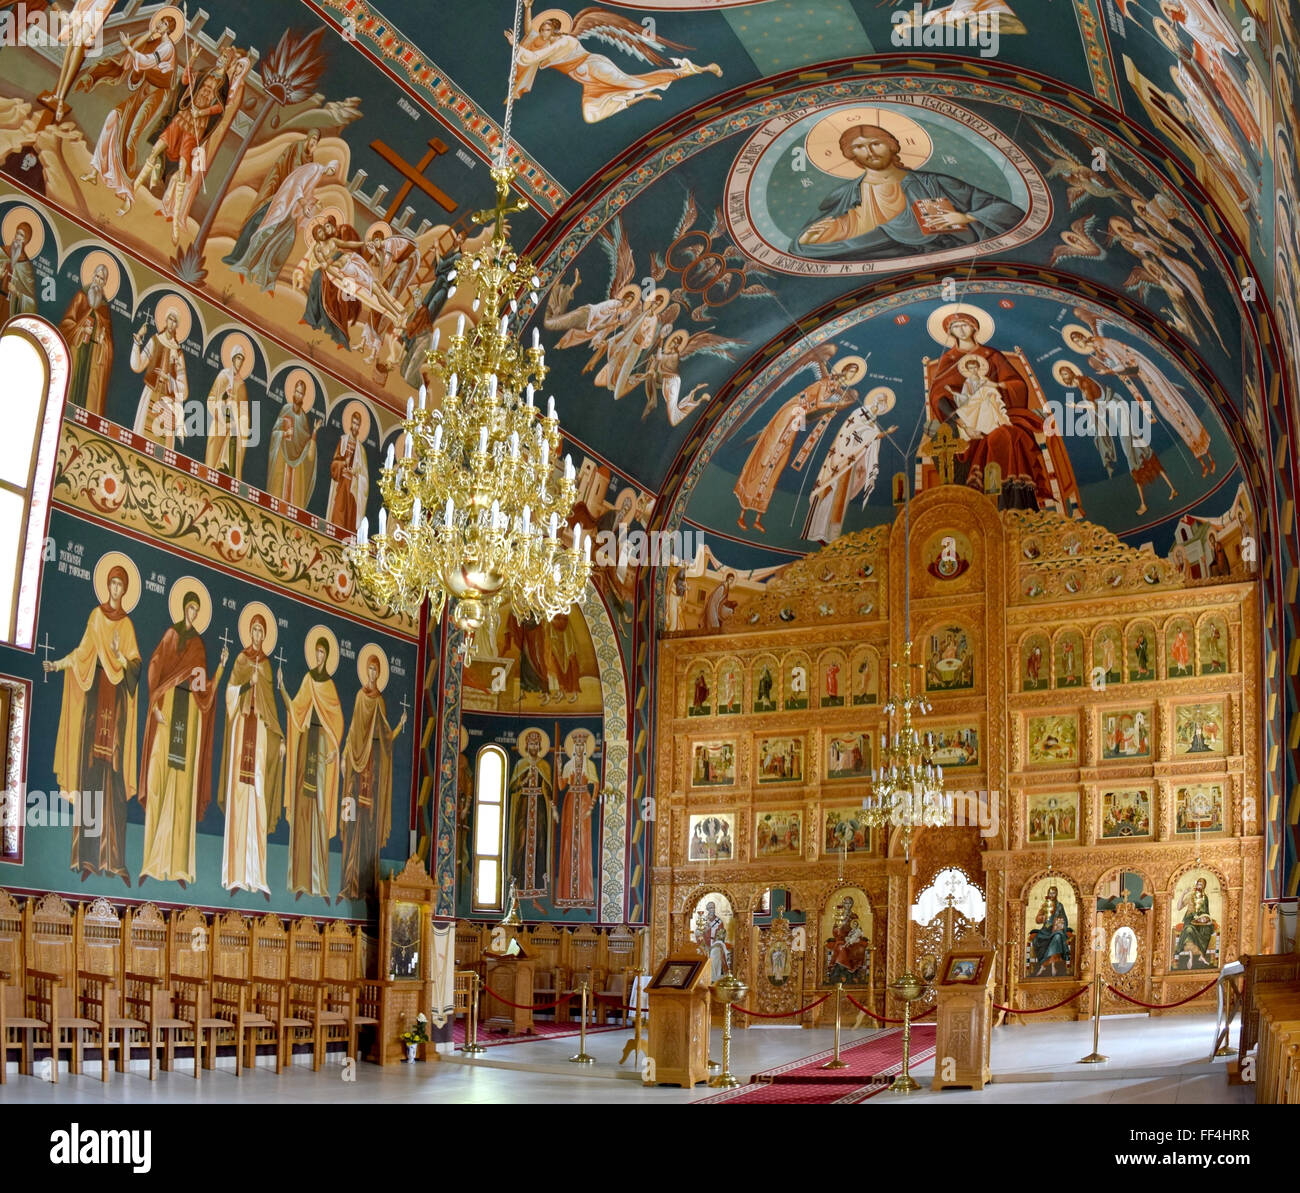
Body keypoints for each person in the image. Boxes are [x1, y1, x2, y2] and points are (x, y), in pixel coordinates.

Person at [45, 564, 142, 885]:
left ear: (125, 589)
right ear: (107, 585)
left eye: (120, 584)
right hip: (94, 704)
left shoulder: (126, 626)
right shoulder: (96, 617)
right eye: (112, 583)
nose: (115, 589)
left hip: (116, 707)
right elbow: (81, 653)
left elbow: (135, 668)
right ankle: (87, 856)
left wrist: (121, 656)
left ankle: (115, 860)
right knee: (89, 776)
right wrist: (57, 664)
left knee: (114, 780)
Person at [795, 124, 1024, 259]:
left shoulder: (933, 184)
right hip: (870, 254)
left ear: (891, 146)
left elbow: (1008, 211)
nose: (869, 151)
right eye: (859, 147)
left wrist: (965, 216)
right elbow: (809, 242)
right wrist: (807, 240)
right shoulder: (846, 194)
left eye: (875, 143)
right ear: (851, 155)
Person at [507, 1, 721, 125]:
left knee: (635, 82)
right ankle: (640, 98)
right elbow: (530, 32)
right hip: (588, 82)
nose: (541, 32)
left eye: (546, 29)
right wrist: (527, 8)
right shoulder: (545, 43)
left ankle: (699, 69)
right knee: (591, 116)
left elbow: (531, 56)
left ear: (554, 30)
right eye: (542, 29)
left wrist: (516, 47)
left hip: (594, 67)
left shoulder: (564, 41)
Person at [137, 591, 226, 887]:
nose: (193, 613)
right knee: (157, 781)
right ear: (183, 608)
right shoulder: (171, 636)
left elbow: (202, 689)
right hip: (168, 710)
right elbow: (155, 670)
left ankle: (178, 866)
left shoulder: (199, 646)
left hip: (189, 718)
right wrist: (156, 705)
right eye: (190, 607)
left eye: (197, 609)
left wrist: (221, 669)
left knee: (183, 794)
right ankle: (151, 861)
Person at [927, 311, 1051, 510]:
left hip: (999, 412)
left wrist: (997, 387)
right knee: (1002, 436)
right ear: (950, 332)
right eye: (955, 327)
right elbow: (937, 395)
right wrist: (961, 421)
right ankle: (999, 504)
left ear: (974, 327)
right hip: (965, 419)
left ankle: (1019, 504)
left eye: (965, 324)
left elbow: (1017, 384)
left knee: (1012, 435)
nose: (961, 329)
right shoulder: (948, 359)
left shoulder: (992, 355)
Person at [734, 359, 859, 532]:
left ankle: (758, 517)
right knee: (766, 457)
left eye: (851, 378)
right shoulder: (825, 383)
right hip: (789, 414)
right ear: (843, 372)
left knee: (777, 466)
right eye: (848, 375)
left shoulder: (834, 389)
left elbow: (830, 404)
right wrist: (835, 405)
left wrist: (842, 402)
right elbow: (820, 404)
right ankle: (741, 514)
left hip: (797, 420)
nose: (847, 380)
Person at [217, 612, 284, 897]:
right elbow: (229, 694)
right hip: (241, 730)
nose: (257, 634)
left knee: (258, 805)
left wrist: (279, 739)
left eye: (261, 630)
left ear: (265, 635)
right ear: (249, 632)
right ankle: (234, 875)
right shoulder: (242, 660)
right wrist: (248, 683)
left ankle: (257, 877)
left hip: (259, 739)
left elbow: (271, 706)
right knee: (238, 804)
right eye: (254, 629)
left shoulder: (267, 666)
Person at [280, 637, 346, 900]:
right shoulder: (308, 680)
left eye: (322, 652)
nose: (318, 656)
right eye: (316, 652)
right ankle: (299, 881)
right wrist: (284, 688)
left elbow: (338, 720)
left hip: (320, 750)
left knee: (320, 812)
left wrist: (333, 748)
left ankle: (319, 884)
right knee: (302, 813)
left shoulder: (329, 685)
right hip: (306, 743)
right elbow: (296, 709)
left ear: (327, 655)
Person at [338, 651, 405, 903]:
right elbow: (354, 729)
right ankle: (349, 883)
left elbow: (384, 736)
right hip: (357, 772)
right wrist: (346, 756)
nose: (373, 674)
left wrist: (398, 727)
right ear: (366, 671)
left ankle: (366, 888)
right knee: (354, 826)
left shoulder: (380, 701)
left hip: (373, 775)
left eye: (377, 670)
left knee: (370, 830)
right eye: (371, 669)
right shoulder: (359, 697)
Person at [224, 159, 340, 293]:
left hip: (292, 211)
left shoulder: (318, 174)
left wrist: (313, 202)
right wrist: (303, 203)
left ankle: (264, 277)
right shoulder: (313, 169)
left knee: (285, 243)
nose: (331, 173)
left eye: (333, 172)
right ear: (329, 165)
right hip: (285, 204)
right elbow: (297, 186)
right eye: (332, 169)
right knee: (266, 233)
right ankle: (245, 266)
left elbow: (306, 192)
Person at [803, 387, 896, 544]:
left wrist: (878, 435)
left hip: (850, 467)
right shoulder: (859, 413)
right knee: (828, 493)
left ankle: (831, 536)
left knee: (840, 500)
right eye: (880, 401)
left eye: (884, 403)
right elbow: (851, 431)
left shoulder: (873, 425)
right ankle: (816, 531)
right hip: (839, 462)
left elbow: (870, 440)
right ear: (874, 400)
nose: (881, 405)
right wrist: (884, 433)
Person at [59, 261, 114, 415]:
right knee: (73, 383)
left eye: (102, 279)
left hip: (93, 357)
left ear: (105, 283)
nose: (98, 281)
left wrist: (103, 340)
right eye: (97, 276)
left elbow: (108, 342)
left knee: (87, 391)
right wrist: (81, 327)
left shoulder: (104, 308)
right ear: (92, 276)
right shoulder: (81, 297)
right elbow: (66, 323)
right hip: (77, 350)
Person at [130, 308, 188, 450]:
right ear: (166, 320)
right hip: (151, 393)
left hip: (167, 401)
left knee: (162, 446)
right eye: (170, 319)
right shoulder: (155, 341)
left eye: (175, 321)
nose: (172, 324)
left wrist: (168, 378)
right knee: (142, 436)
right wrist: (137, 342)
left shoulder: (178, 352)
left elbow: (184, 390)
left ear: (177, 326)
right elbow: (138, 365)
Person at [507, 730, 555, 900]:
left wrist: (553, 808)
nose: (534, 747)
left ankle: (538, 889)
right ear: (527, 746)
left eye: (536, 744)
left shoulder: (544, 765)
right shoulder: (521, 764)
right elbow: (512, 787)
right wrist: (523, 781)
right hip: (524, 805)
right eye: (531, 744)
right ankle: (518, 884)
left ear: (539, 746)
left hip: (540, 805)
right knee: (521, 842)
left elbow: (549, 789)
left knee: (540, 842)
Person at [554, 731, 599, 908]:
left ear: (585, 747)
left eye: (582, 745)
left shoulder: (589, 765)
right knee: (568, 842)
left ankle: (584, 896)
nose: (579, 748)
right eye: (577, 745)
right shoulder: (568, 765)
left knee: (583, 844)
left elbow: (595, 784)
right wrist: (558, 768)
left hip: (584, 802)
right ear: (574, 747)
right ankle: (566, 897)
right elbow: (561, 786)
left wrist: (592, 805)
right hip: (570, 801)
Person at [266, 378, 319, 508]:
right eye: (297, 391)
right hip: (282, 456)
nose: (298, 395)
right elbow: (274, 433)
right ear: (293, 392)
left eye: (301, 393)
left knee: (293, 498)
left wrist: (314, 433)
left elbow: (306, 447)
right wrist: (283, 434)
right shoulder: (286, 410)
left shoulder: (304, 418)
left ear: (304, 396)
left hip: (297, 465)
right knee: (278, 494)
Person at [205, 348, 251, 477]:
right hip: (220, 425)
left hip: (233, 432)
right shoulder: (223, 376)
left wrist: (237, 423)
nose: (240, 362)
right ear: (232, 358)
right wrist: (224, 401)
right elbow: (211, 399)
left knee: (229, 469)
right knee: (211, 468)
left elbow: (245, 414)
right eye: (238, 358)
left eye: (242, 359)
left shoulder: (242, 385)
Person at [327, 409, 370, 533]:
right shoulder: (343, 441)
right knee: (338, 517)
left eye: (358, 424)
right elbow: (334, 466)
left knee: (349, 523)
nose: (355, 426)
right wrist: (344, 463)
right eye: (354, 423)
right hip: (341, 487)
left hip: (353, 491)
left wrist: (356, 474)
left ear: (359, 426)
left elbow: (365, 479)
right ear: (350, 423)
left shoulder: (361, 450)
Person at [1173, 877, 1215, 969]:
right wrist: (1183, 893)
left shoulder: (1205, 898)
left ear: (1204, 887)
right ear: (1196, 885)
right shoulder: (1190, 896)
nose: (1199, 886)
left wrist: (1206, 919)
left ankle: (1202, 956)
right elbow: (1179, 907)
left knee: (1208, 929)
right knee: (1189, 929)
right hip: (1190, 919)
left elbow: (1207, 912)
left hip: (1202, 920)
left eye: (1202, 885)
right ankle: (1191, 958)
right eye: (1198, 884)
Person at [1030, 886, 1071, 977]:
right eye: (1050, 893)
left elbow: (1064, 919)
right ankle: (1045, 965)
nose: (1051, 895)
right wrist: (1043, 918)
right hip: (1045, 931)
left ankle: (1050, 965)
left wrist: (1059, 924)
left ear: (1056, 894)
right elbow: (1037, 919)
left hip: (1056, 930)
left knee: (1057, 937)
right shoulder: (1045, 905)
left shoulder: (1060, 906)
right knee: (1038, 939)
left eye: (1053, 893)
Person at [0, 219, 37, 320]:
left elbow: (31, 304)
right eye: (18, 233)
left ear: (26, 241)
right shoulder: (1, 252)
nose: (18, 238)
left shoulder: (26, 266)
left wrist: (16, 292)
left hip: (7, 308)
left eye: (22, 236)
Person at [695, 900, 732, 981]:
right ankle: (701, 978)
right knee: (700, 953)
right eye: (711, 908)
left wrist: (716, 941)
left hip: (715, 944)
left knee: (715, 953)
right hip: (704, 944)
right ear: (707, 909)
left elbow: (721, 935)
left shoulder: (719, 921)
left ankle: (714, 978)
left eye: (713, 908)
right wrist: (701, 932)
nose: (712, 909)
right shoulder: (703, 920)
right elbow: (698, 932)